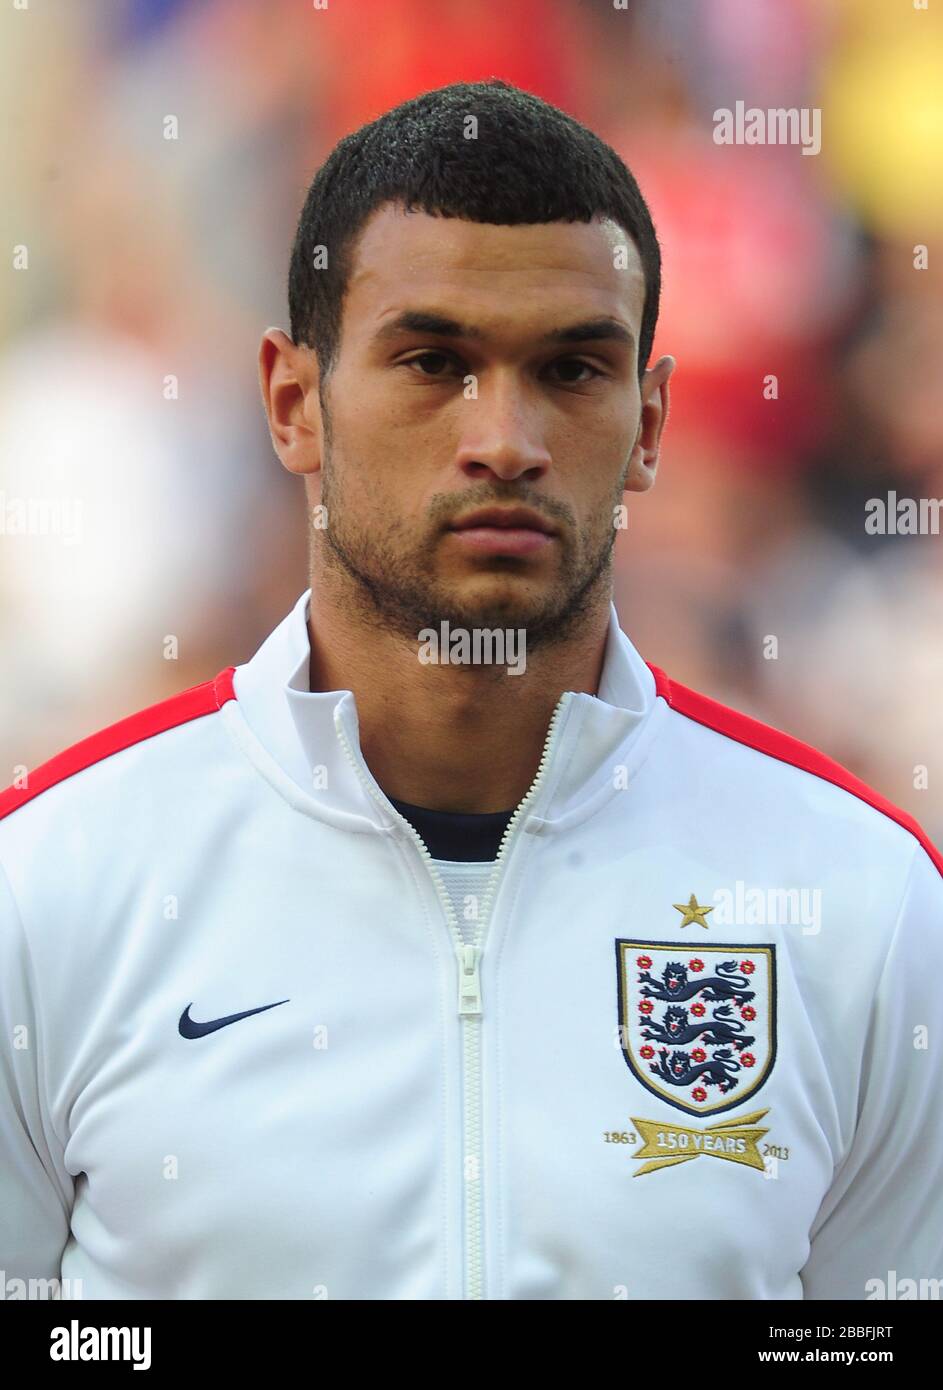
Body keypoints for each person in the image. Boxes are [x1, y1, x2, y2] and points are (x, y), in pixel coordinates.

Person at [1, 79, 941, 1302]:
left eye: (571, 369)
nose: (504, 436)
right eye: (433, 360)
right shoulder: (56, 882)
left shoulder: (856, 897)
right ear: (294, 405)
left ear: (648, 423)